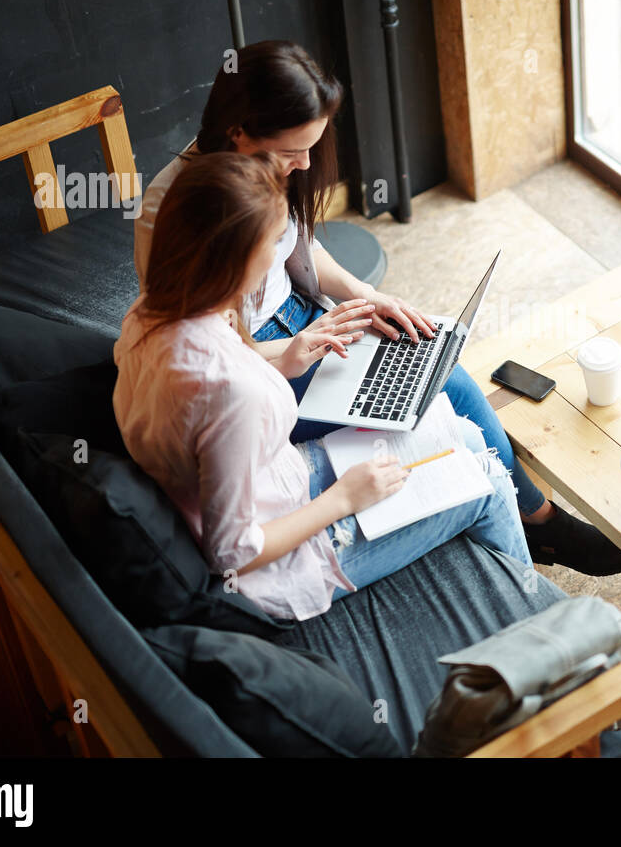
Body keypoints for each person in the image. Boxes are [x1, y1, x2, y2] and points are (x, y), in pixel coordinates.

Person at [132, 39, 621, 577]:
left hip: (307, 326)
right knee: (438, 393)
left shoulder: (263, 170)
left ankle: (536, 519)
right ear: (240, 133)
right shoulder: (177, 213)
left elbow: (297, 251)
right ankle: (539, 524)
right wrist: (299, 346)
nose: (303, 165)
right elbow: (209, 355)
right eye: (291, 152)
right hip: (270, 359)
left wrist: (368, 299)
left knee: (432, 357)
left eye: (311, 148)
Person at [113, 151, 533, 620]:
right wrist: (344, 499)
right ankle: (549, 646)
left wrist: (289, 354)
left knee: (467, 436)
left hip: (278, 481)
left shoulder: (149, 315)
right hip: (282, 566)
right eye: (274, 243)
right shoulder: (235, 394)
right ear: (235, 263)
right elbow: (232, 553)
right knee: (489, 480)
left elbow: (208, 385)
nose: (281, 257)